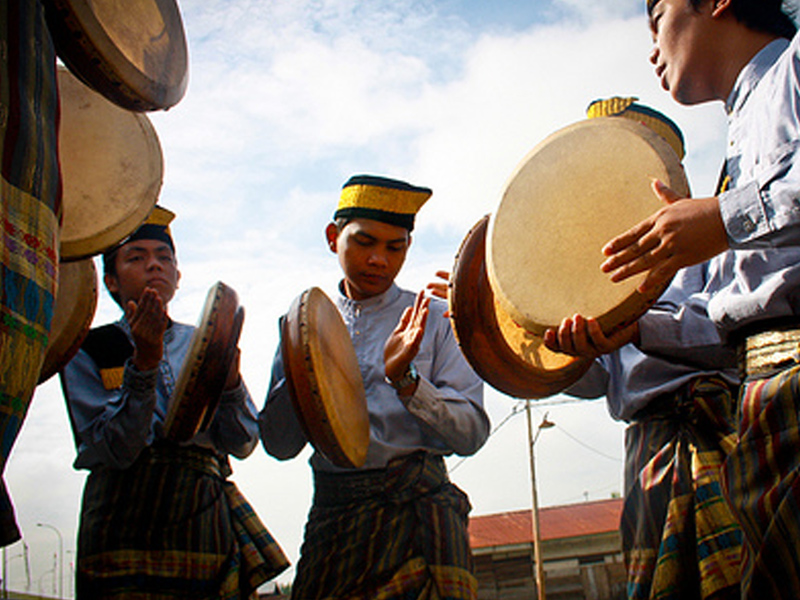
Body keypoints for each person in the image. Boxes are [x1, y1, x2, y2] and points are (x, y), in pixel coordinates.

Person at [587, 1, 800, 597]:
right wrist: (631, 332)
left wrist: (728, 219)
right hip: (763, 401)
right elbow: (730, 324)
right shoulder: (737, 143)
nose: (651, 45)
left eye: (656, 15)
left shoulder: (793, 73)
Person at [542, 97, 743, 600]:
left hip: (720, 432)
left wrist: (639, 328)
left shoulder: (707, 234)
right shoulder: (592, 268)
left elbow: (727, 331)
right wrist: (571, 352)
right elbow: (600, 383)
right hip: (647, 448)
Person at [260, 175, 490, 600]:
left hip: (421, 519)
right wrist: (306, 369)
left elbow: (471, 433)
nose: (379, 260)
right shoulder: (300, 327)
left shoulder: (440, 319)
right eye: (364, 242)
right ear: (333, 237)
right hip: (335, 516)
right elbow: (278, 444)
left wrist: (408, 383)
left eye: (394, 247)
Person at [60, 206, 289, 599]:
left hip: (201, 516)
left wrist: (231, 383)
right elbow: (115, 448)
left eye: (164, 258)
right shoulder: (85, 348)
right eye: (137, 257)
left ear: (178, 277)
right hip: (121, 517)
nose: (155, 266)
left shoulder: (206, 339)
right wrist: (144, 367)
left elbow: (244, 441)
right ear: (111, 280)